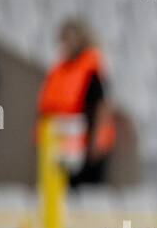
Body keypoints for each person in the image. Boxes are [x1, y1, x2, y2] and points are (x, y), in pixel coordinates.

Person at [37, 18, 115, 186]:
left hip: (85, 140)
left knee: (86, 189)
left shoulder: (91, 70)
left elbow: (101, 105)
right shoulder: (60, 69)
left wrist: (96, 140)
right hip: (63, 140)